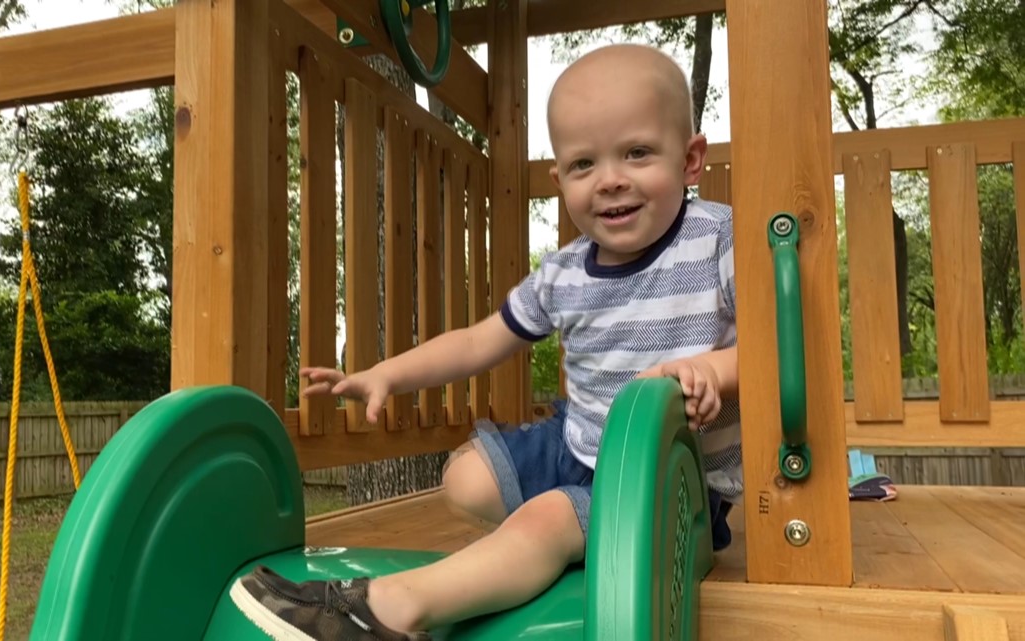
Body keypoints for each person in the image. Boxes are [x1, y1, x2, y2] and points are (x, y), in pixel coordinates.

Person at [228, 43, 741, 641]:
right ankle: (544, 540)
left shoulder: (716, 239)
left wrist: (716, 369)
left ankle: (391, 611)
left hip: (671, 479)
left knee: (548, 521)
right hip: (578, 445)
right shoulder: (565, 271)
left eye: (636, 153)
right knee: (464, 479)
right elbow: (478, 342)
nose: (609, 181)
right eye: (583, 165)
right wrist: (387, 374)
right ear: (559, 180)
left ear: (691, 158)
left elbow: (778, 352)